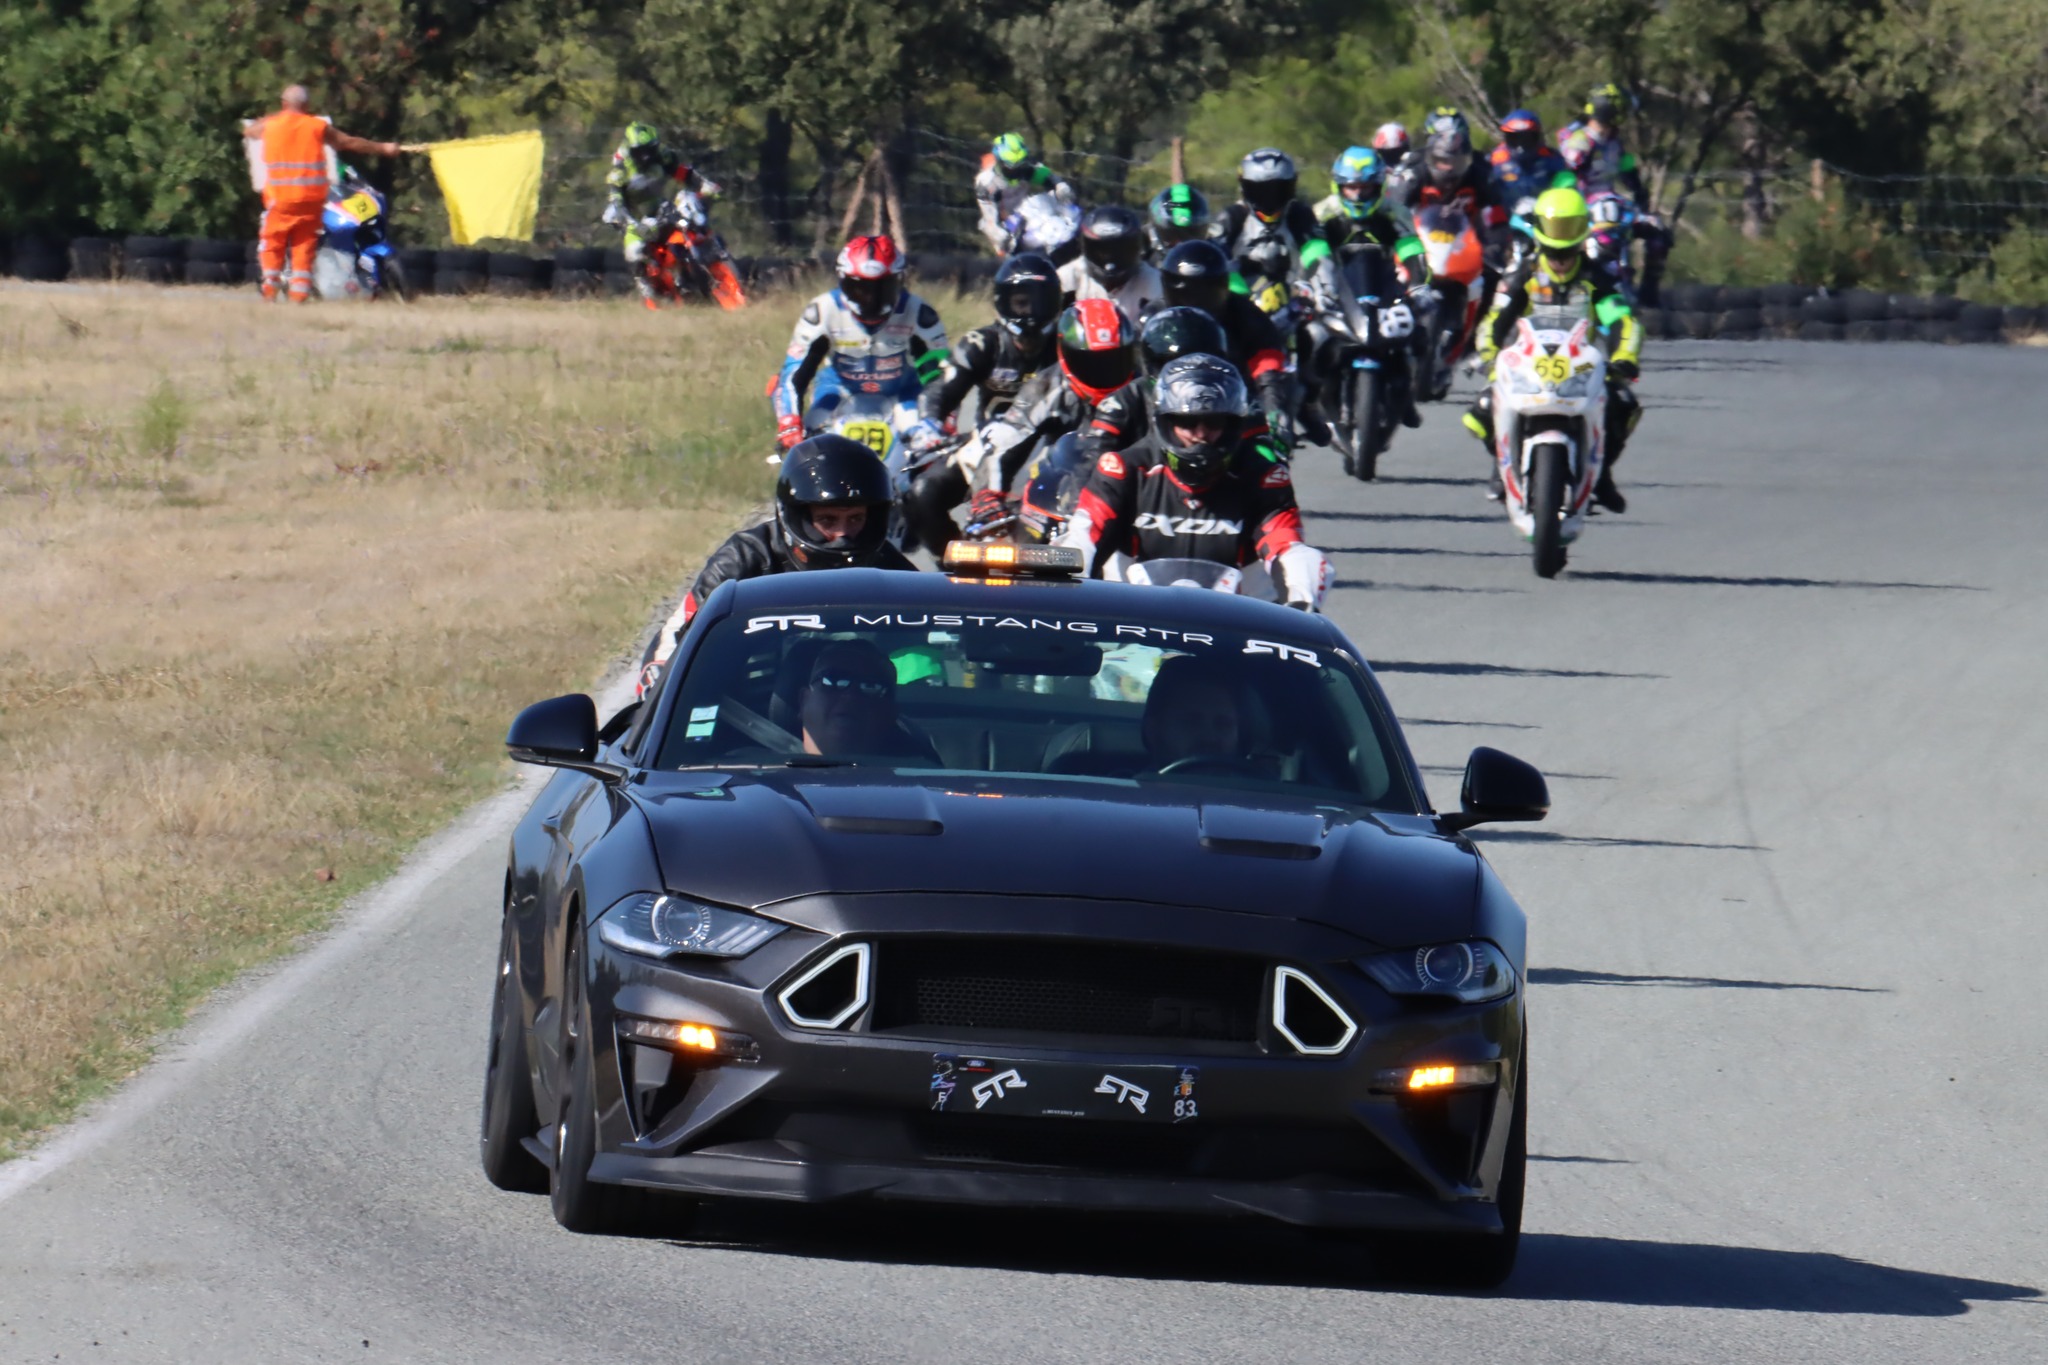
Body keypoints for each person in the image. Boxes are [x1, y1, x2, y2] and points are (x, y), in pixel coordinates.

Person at [639, 436, 917, 695]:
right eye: (828, 520)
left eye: (855, 519)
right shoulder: (744, 558)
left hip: (860, 707)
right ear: (797, 517)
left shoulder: (888, 564)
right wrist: (657, 697)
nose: (843, 534)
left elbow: (937, 632)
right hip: (746, 712)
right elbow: (675, 640)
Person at [1059, 355, 1329, 610]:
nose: (1201, 434)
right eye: (1188, 423)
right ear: (1165, 422)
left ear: (1233, 424)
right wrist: (1062, 591)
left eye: (1214, 423)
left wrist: (1301, 601)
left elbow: (1288, 548)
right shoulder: (1124, 471)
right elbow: (1082, 537)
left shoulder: (1264, 478)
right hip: (1129, 621)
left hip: (1241, 626)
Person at [910, 299, 1142, 553]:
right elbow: (1005, 443)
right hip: (1062, 494)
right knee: (994, 548)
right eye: (1091, 362)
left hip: (1136, 493)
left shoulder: (1144, 387)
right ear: (1067, 354)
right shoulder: (1045, 387)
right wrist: (989, 495)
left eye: (1112, 360)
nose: (1102, 373)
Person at [1462, 187, 1642, 512]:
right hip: (1527, 362)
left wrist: (1624, 358)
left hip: (1580, 362)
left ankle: (1602, 474)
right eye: (1555, 230)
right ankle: (1501, 466)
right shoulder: (1522, 275)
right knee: (1483, 406)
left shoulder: (1596, 277)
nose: (1560, 258)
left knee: (1624, 404)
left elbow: (1622, 321)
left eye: (1569, 230)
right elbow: (1494, 321)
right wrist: (1490, 356)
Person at [899, 253, 1064, 552]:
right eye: (1021, 302)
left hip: (1051, 453)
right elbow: (942, 389)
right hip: (985, 448)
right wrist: (929, 421)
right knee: (921, 495)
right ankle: (953, 564)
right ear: (1004, 302)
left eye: (1040, 302)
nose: (1030, 312)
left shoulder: (1067, 344)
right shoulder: (983, 343)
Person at [771, 234, 948, 453]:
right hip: (838, 392)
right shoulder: (822, 310)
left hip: (901, 394)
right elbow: (793, 373)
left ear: (899, 281)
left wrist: (937, 420)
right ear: (842, 280)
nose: (870, 299)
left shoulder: (920, 313)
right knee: (806, 449)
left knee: (928, 447)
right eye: (860, 288)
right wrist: (789, 423)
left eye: (881, 289)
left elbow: (942, 374)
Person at [242, 85, 407, 303]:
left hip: (280, 200)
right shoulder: (316, 126)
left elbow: (250, 131)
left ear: (283, 104)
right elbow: (349, 142)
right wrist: (384, 148)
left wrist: (278, 114)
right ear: (307, 106)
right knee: (304, 246)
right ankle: (299, 295)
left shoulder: (271, 125)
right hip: (311, 200)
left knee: (273, 243)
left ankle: (270, 292)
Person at [1157, 240, 1295, 450]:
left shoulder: (1245, 314)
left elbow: (1267, 363)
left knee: (1271, 458)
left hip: (1236, 407)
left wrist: (1274, 409)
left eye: (1206, 293)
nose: (1198, 303)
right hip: (1173, 414)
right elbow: (1141, 375)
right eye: (1188, 294)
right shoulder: (1154, 320)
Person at [602, 122, 723, 308]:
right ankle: (645, 285)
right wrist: (633, 224)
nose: (646, 156)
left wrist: (705, 185)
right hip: (634, 217)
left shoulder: (662, 155)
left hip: (660, 206)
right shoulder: (620, 170)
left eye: (650, 149)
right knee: (634, 252)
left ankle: (711, 256)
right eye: (640, 151)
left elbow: (683, 172)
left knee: (690, 214)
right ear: (630, 150)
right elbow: (617, 203)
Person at [796, 640, 932, 759]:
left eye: (871, 686)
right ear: (803, 701)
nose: (851, 695)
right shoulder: (774, 773)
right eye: (833, 681)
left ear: (891, 713)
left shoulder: (926, 776)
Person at [1142, 656, 1251, 768]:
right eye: (1191, 723)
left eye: (1223, 725)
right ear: (1154, 729)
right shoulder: (1126, 785)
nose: (1210, 738)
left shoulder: (1258, 785)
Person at [1059, 205, 1164, 321]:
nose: (1110, 257)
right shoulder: (1067, 278)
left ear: (1135, 248)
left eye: (1120, 250)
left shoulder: (1154, 282)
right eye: (1103, 251)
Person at [974, 134, 1073, 253]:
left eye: (1021, 165)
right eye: (1012, 167)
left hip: (1028, 216)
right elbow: (990, 221)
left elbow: (1049, 177)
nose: (1017, 170)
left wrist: (1061, 187)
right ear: (1000, 163)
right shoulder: (987, 183)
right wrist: (1001, 236)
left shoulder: (1027, 167)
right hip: (1005, 227)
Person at [1557, 84, 1647, 202]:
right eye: (1621, 109)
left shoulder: (1613, 142)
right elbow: (1565, 180)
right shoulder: (1580, 142)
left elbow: (1628, 174)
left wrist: (1638, 191)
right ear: (1608, 110)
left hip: (1609, 204)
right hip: (1583, 208)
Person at [1488, 109, 1574, 210]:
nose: (1520, 146)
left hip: (1546, 216)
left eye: (1526, 139)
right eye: (1514, 138)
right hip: (1508, 219)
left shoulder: (1551, 157)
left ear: (1537, 136)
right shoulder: (1495, 160)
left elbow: (1567, 188)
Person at [1146, 183, 1213, 258]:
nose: (1182, 245)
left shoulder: (1214, 259)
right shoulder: (1140, 261)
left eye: (1191, 235)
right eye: (1171, 235)